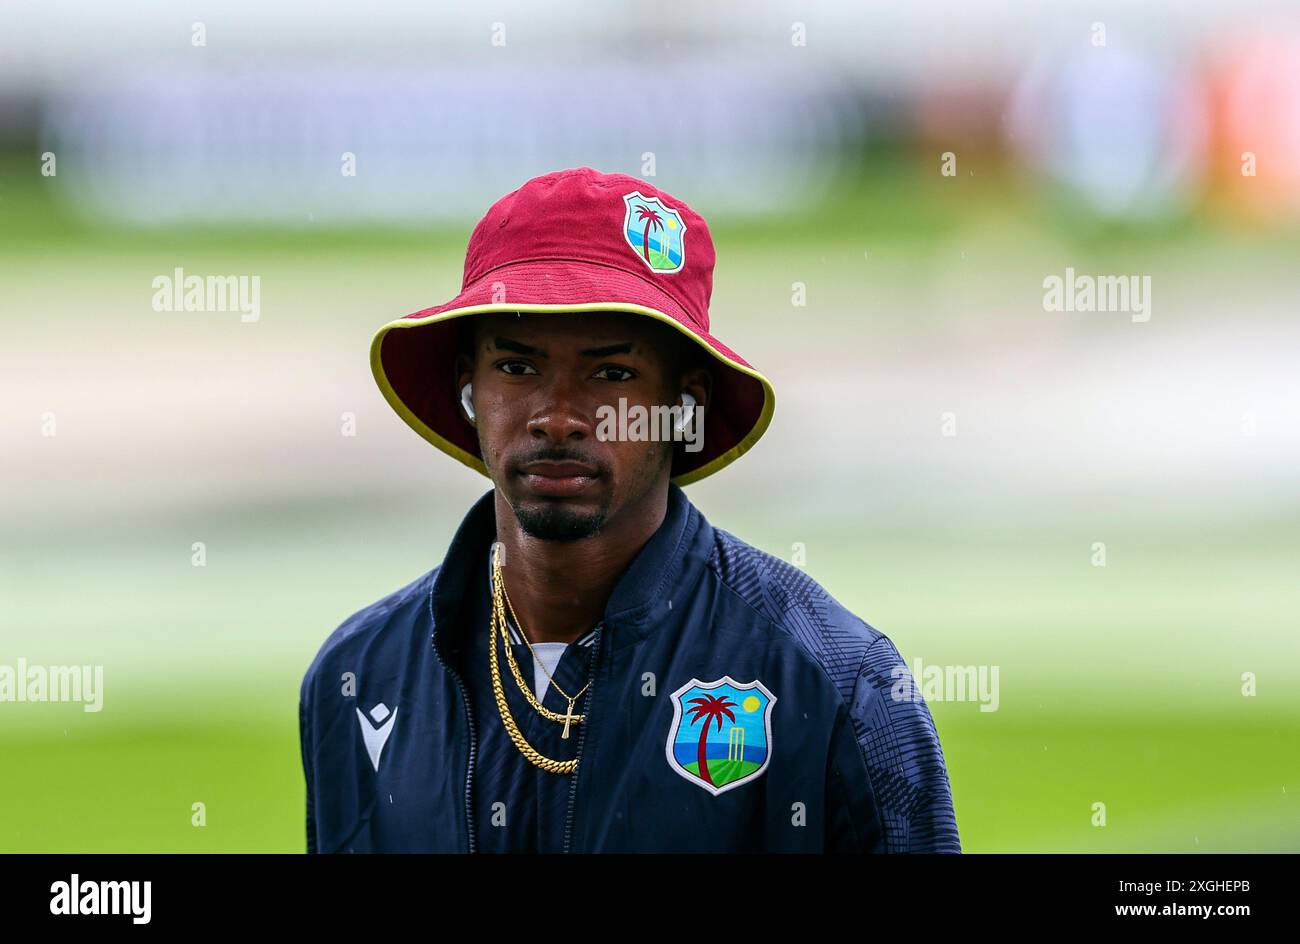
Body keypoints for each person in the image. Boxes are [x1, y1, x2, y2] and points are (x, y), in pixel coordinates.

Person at [299, 166, 960, 853]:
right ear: (469, 387)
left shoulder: (835, 681)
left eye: (611, 373)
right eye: (518, 368)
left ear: (687, 404)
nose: (557, 418)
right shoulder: (359, 674)